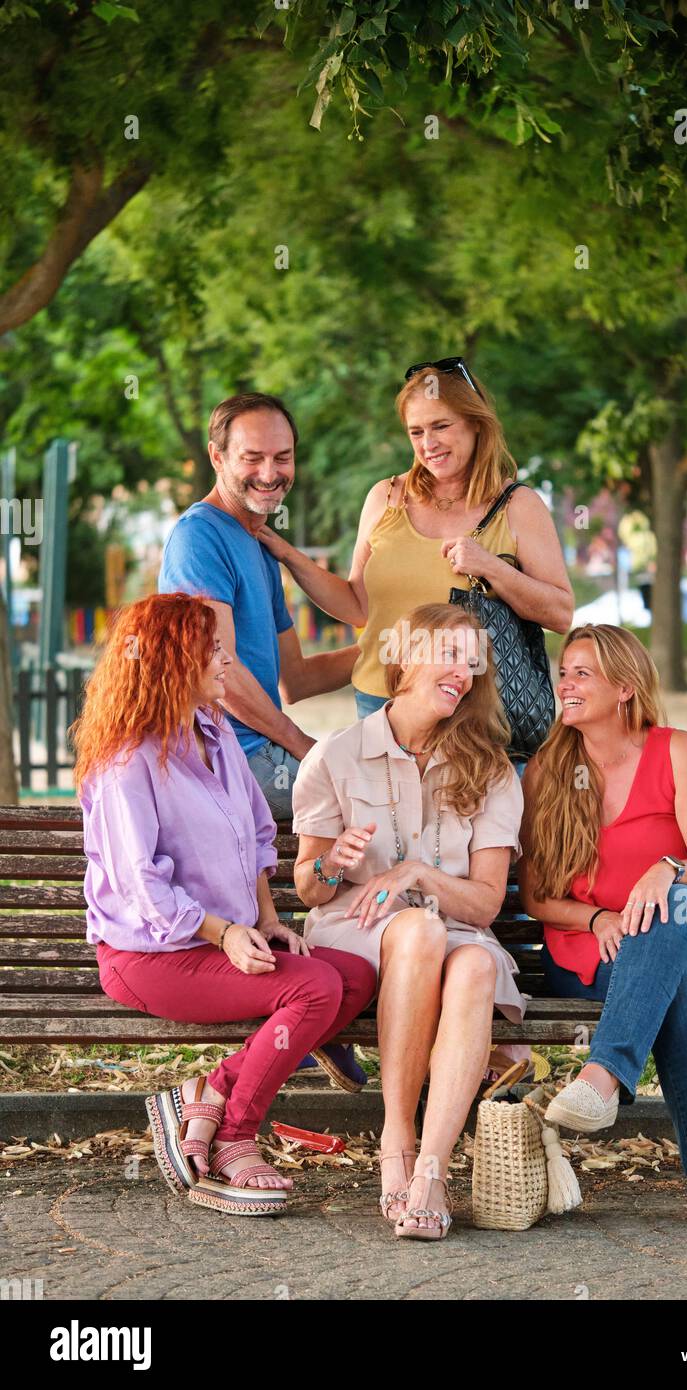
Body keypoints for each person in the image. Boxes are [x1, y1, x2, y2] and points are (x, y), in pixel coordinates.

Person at [73, 593, 376, 1217]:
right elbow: (142, 886)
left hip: (220, 941)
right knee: (315, 989)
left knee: (355, 976)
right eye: (211, 649)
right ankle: (235, 1135)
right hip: (151, 955)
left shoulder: (213, 732)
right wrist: (223, 933)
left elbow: (259, 836)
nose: (225, 660)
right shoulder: (128, 761)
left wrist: (266, 919)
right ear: (172, 660)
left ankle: (209, 1092)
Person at [518, 623, 687, 1232]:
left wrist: (668, 869)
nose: (565, 684)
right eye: (563, 672)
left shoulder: (675, 749)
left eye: (582, 673)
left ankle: (602, 1074)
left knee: (671, 909)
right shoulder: (548, 770)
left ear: (625, 687)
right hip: (596, 949)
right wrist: (597, 916)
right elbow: (537, 897)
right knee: (677, 983)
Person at [291, 602, 526, 1240]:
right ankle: (396, 1139)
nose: (463, 673)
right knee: (419, 930)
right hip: (358, 930)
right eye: (450, 655)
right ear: (404, 659)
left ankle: (431, 1170)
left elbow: (485, 905)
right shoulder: (336, 755)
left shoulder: (490, 768)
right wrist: (334, 864)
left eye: (472, 662)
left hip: (455, 932)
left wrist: (419, 874)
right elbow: (310, 889)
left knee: (475, 965)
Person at [257, 358, 573, 719]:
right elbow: (357, 606)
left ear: (476, 423)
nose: (428, 444)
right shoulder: (385, 497)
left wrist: (491, 567)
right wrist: (288, 555)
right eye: (416, 432)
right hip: (380, 705)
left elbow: (560, 614)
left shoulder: (518, 506)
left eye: (441, 426)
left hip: (470, 713)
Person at [159, 391, 359, 820]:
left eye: (282, 458)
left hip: (263, 753)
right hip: (231, 761)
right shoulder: (199, 536)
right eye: (252, 458)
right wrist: (303, 744)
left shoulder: (261, 546)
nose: (269, 474)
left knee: (397, 787)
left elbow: (296, 680)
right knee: (377, 805)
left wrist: (388, 652)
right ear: (217, 457)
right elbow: (222, 671)